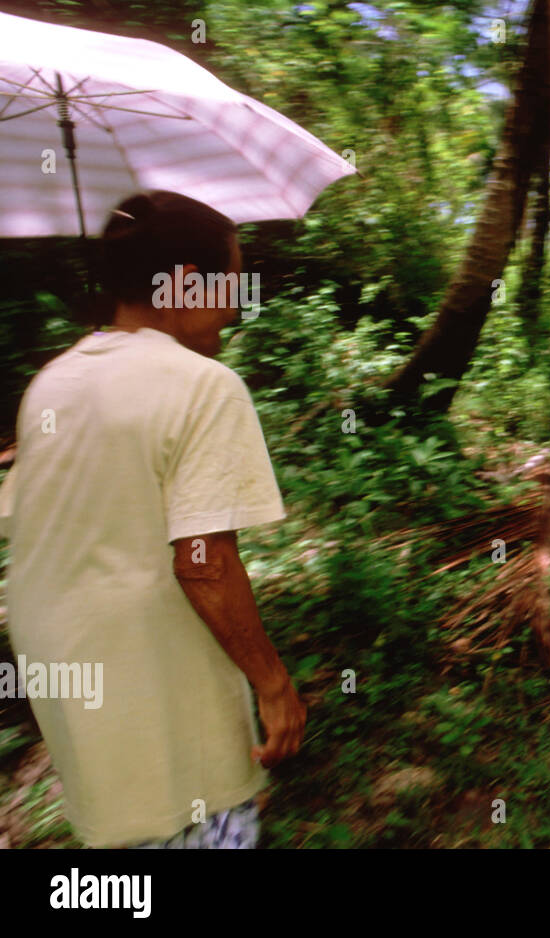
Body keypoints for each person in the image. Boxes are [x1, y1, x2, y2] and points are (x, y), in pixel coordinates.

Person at [0, 190, 305, 848]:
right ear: (186, 284)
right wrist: (273, 683)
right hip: (159, 690)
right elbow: (203, 564)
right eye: (233, 278)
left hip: (68, 685)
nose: (237, 300)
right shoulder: (204, 386)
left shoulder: (49, 383)